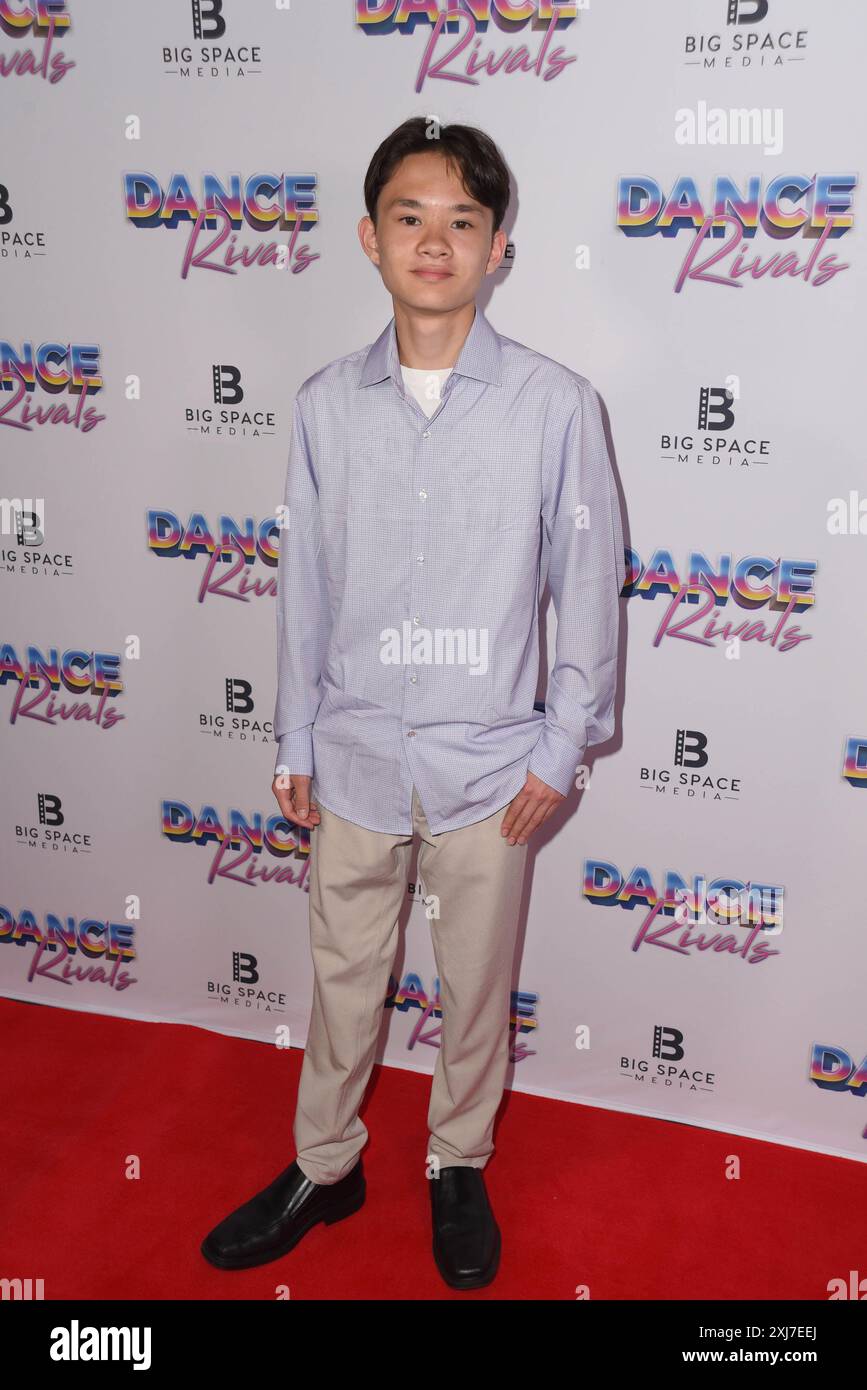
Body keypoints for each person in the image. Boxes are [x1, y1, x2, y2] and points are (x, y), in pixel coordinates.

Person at [201, 116, 626, 1291]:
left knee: (473, 985)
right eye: (410, 216)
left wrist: (560, 748)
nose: (434, 242)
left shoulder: (555, 405)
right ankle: (325, 1165)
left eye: (462, 221)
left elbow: (587, 588)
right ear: (368, 236)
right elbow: (305, 584)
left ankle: (457, 1162)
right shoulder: (324, 405)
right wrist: (294, 732)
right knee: (341, 976)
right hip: (352, 755)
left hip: (491, 767)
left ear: (499, 249)